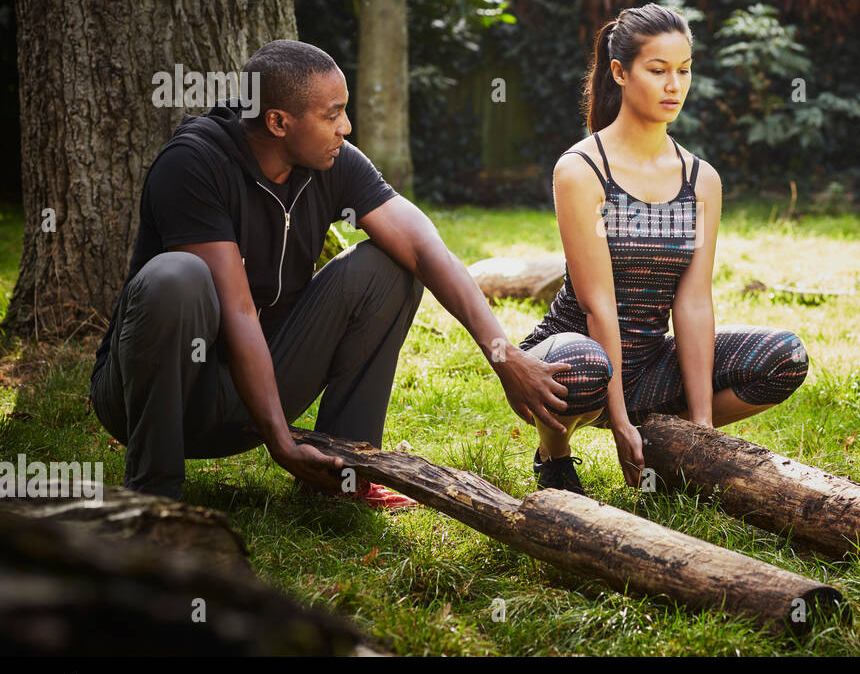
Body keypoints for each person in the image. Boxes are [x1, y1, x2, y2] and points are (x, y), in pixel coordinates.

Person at [88, 40, 571, 509]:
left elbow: (425, 247)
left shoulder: (333, 162)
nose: (347, 126)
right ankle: (153, 494)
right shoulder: (194, 163)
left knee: (389, 266)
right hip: (155, 396)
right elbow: (235, 310)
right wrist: (281, 443)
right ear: (278, 122)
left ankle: (343, 474)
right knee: (178, 277)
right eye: (332, 113)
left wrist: (504, 355)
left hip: (249, 397)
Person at [519, 3, 809, 496]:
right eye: (658, 71)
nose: (674, 85)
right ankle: (555, 451)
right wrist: (615, 427)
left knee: (784, 356)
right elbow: (598, 304)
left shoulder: (701, 180)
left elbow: (693, 301)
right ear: (620, 72)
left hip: (651, 365)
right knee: (589, 365)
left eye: (684, 70)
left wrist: (700, 430)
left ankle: (661, 436)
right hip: (570, 357)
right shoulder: (582, 170)